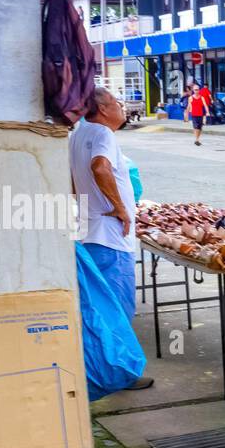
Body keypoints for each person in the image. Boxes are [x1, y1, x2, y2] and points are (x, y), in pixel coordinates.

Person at [68, 86, 153, 390]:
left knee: (99, 306)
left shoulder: (77, 133)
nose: (121, 108)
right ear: (103, 109)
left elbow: (73, 180)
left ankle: (106, 367)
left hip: (90, 230)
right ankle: (121, 373)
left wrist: (84, 206)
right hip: (110, 237)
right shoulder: (103, 134)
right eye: (117, 103)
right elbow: (100, 167)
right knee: (118, 308)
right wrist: (119, 208)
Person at [187, 81, 212, 146]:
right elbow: (189, 106)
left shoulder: (202, 98)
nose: (196, 91)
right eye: (195, 90)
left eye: (197, 90)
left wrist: (207, 112)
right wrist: (187, 114)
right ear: (193, 90)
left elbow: (205, 105)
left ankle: (197, 138)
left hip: (200, 114)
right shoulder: (190, 98)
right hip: (194, 115)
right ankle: (196, 140)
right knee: (196, 127)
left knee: (200, 128)